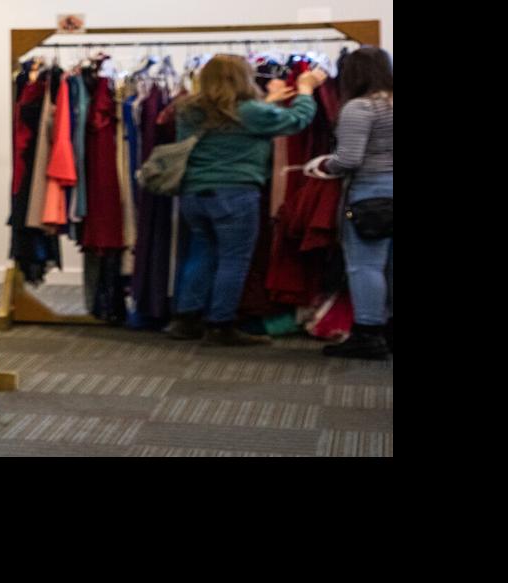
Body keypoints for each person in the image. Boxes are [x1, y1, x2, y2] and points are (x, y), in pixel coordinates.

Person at [167, 55, 324, 346]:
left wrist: (268, 101)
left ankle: (185, 319)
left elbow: (230, 122)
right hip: (234, 194)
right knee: (233, 259)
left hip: (193, 194)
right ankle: (220, 324)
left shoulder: (187, 109)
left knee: (201, 253)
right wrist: (305, 90)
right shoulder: (249, 111)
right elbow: (297, 120)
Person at [315, 47, 393, 360]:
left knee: (365, 265)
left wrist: (323, 165)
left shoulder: (359, 108)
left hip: (370, 193)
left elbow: (349, 158)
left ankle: (368, 333)